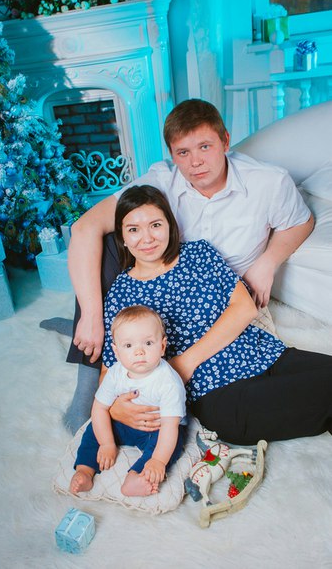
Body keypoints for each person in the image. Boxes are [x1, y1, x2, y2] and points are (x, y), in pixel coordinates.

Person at [58, 99, 314, 432]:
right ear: (171, 154)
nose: (195, 162)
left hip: (218, 287)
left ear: (225, 140)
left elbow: (301, 221)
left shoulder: (269, 182)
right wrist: (93, 316)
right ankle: (92, 376)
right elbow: (84, 227)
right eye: (183, 152)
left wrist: (268, 262)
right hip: (160, 277)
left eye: (205, 147)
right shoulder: (162, 180)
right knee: (108, 241)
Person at [101, 184, 331, 445]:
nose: (147, 238)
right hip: (218, 391)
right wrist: (113, 407)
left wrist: (185, 362)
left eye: (155, 225)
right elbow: (110, 367)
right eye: (133, 229)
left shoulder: (198, 254)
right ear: (122, 236)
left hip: (265, 355)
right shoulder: (121, 292)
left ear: (170, 225)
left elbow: (245, 308)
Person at [69, 305, 186, 497]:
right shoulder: (116, 372)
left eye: (148, 343)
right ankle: (85, 470)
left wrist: (158, 460)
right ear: (116, 351)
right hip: (123, 424)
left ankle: (136, 477)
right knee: (94, 428)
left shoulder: (169, 382)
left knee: (171, 445)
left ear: (162, 346)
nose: (139, 352)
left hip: (155, 428)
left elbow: (169, 426)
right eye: (129, 346)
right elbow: (99, 408)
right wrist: (107, 443)